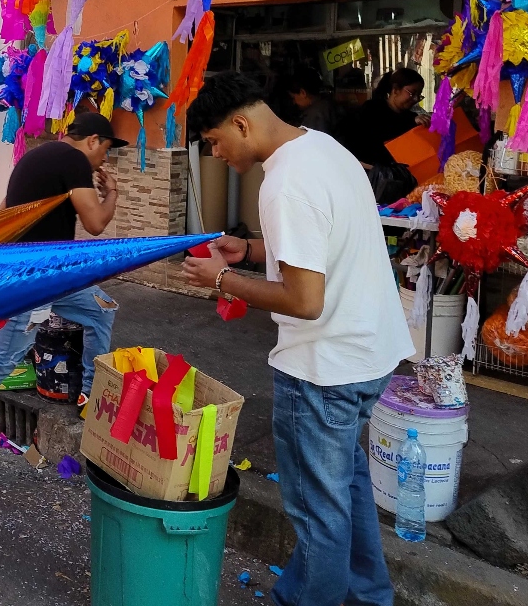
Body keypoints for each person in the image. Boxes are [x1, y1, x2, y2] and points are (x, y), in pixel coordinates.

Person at [180, 73, 413, 606]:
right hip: (368, 356)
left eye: (215, 141)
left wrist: (221, 280)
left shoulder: (284, 184)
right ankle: (369, 596)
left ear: (242, 123)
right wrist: (252, 253)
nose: (216, 155)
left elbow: (306, 301)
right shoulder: (323, 147)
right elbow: (327, 239)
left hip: (322, 369)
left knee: (318, 512)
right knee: (347, 490)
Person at [0, 112, 127, 485]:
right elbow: (95, 224)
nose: (104, 160)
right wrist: (113, 193)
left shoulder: (37, 157)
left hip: (51, 275)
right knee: (0, 359)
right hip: (32, 279)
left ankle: (88, 394)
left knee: (102, 309)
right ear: (91, 140)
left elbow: (3, 210)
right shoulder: (73, 161)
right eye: (105, 149)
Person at [339, 67, 429, 168]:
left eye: (419, 95)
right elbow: (383, 132)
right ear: (395, 90)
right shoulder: (371, 110)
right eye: (412, 93)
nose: (416, 99)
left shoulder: (411, 117)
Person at [281, 67, 338, 136]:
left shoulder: (315, 116)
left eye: (293, 97)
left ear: (303, 93)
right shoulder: (326, 104)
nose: (294, 102)